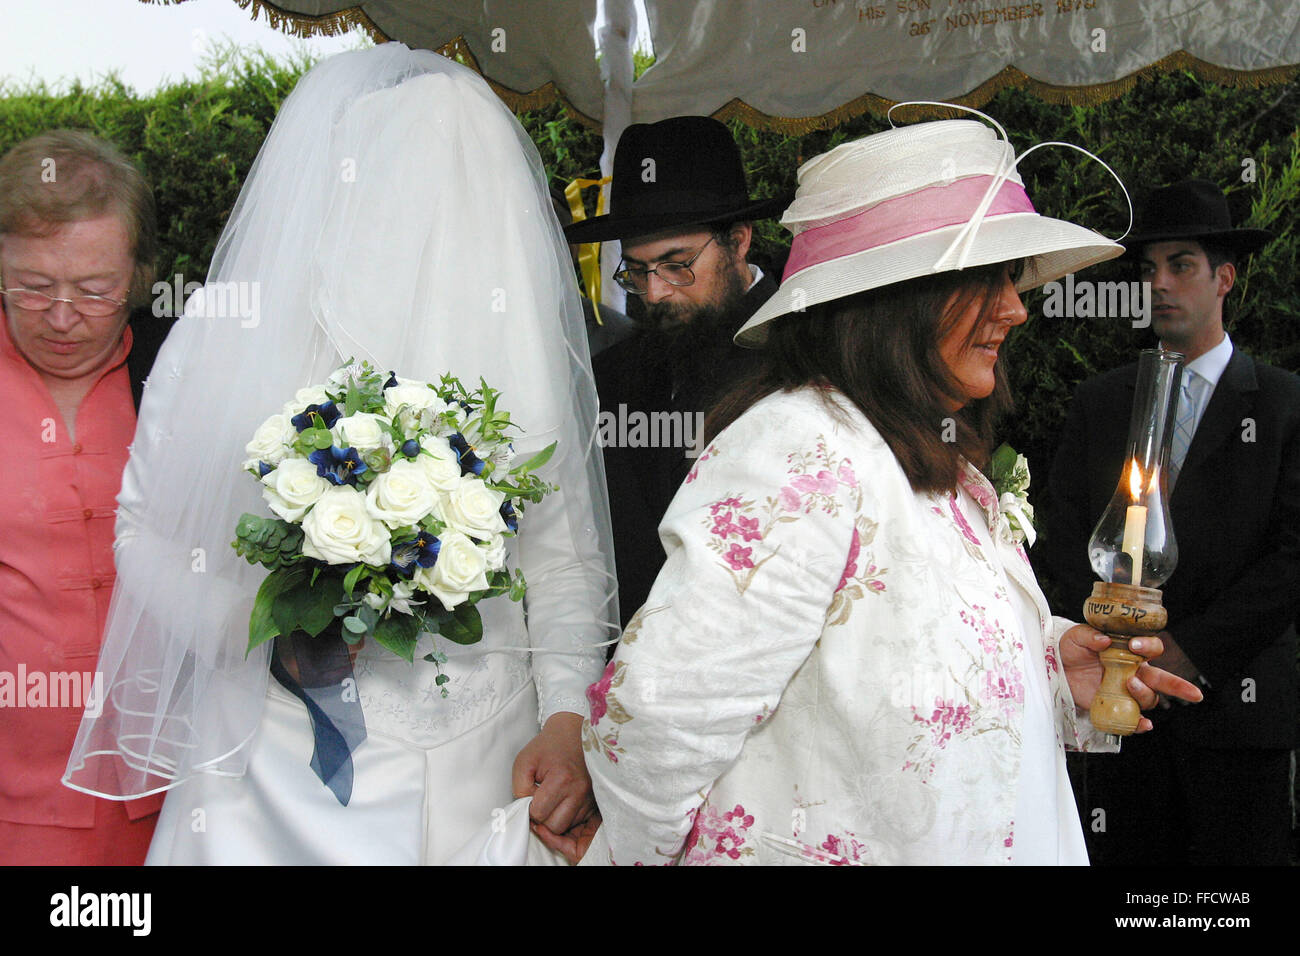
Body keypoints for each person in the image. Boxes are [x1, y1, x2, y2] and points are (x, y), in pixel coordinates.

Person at [549, 116, 1203, 866]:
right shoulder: (797, 453)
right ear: (897, 301)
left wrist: (1051, 666)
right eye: (983, 279)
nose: (1016, 308)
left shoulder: (928, 448)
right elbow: (657, 723)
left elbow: (899, 653)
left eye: (1011, 279)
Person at [63, 44, 617, 864]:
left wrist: (568, 714)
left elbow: (563, 560)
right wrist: (253, 627)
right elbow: (142, 528)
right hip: (265, 763)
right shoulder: (227, 331)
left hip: (479, 758)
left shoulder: (515, 343)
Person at [1039, 179, 1299, 865]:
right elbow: (1063, 534)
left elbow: (1291, 561)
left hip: (1237, 722)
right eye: (1147, 268)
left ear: (1225, 278)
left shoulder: (1282, 406)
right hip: (1120, 712)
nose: (1158, 283)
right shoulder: (1100, 403)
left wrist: (1182, 654)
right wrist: (1112, 643)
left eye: (1180, 264)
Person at [0, 130, 171, 865]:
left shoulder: (183, 376)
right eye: (33, 285)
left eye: (96, 289)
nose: (63, 316)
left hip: (183, 799)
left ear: (138, 277)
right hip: (17, 809)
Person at [563, 117, 786, 626]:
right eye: (637, 271)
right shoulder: (610, 376)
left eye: (677, 263)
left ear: (739, 240)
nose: (656, 291)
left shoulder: (809, 356)